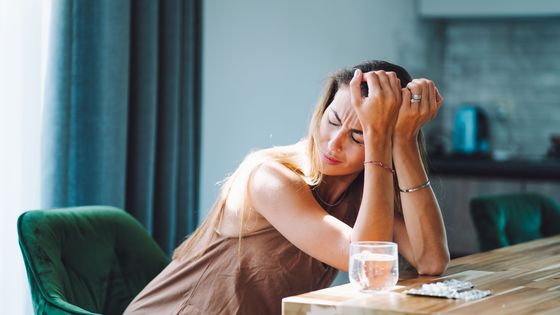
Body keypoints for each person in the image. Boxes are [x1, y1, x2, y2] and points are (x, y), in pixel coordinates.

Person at [124, 60, 449, 315]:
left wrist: (403, 139)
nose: (334, 144)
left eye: (358, 136)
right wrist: (376, 135)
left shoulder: (363, 200)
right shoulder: (269, 176)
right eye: (333, 121)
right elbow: (366, 263)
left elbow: (431, 261)